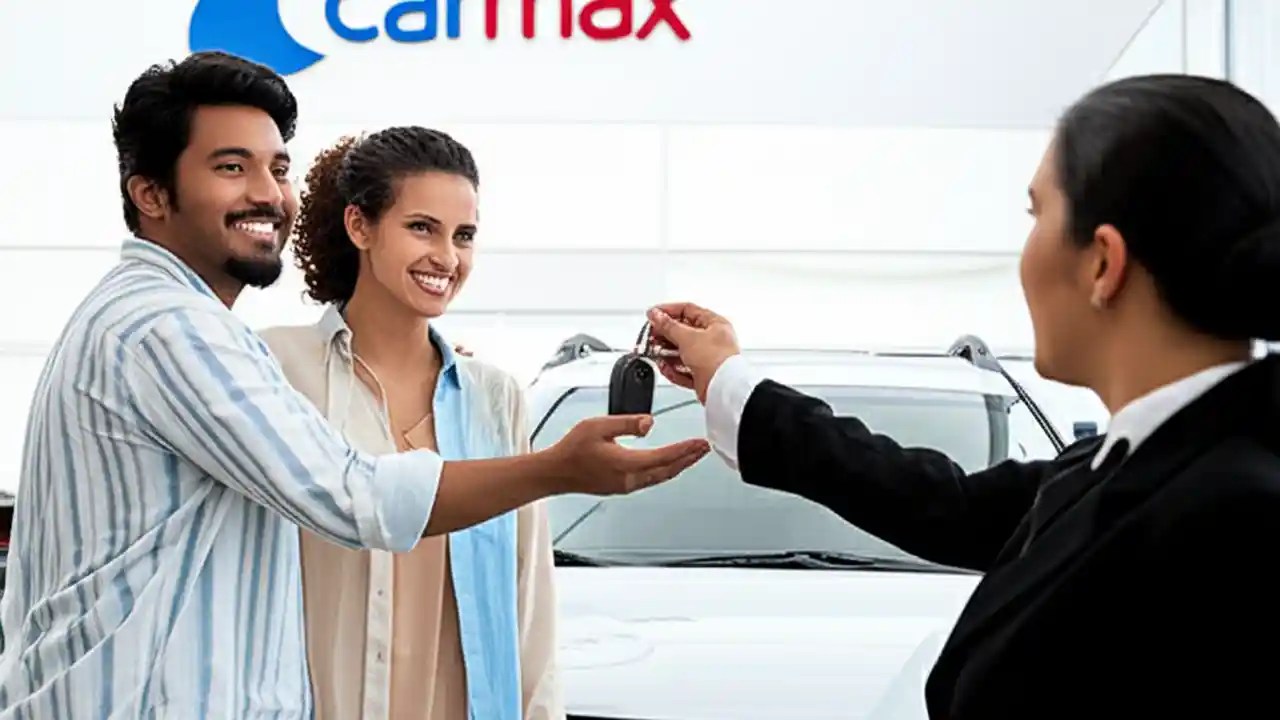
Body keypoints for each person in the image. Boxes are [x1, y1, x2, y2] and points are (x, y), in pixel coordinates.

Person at [0, 51, 708, 718]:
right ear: (150, 193)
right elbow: (357, 496)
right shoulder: (183, 334)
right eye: (230, 166)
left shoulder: (486, 393)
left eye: (277, 167)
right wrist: (559, 469)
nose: (267, 192)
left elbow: (528, 610)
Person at [646, 73, 1280, 719]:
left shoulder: (1232, 517)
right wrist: (728, 379)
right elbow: (942, 501)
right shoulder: (1138, 465)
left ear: (1101, 262)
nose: (1024, 252)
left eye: (1036, 215)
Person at [257, 127, 560, 720]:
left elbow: (532, 604)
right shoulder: (275, 368)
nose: (446, 257)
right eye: (422, 227)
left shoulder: (493, 397)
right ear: (360, 227)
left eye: (464, 236)